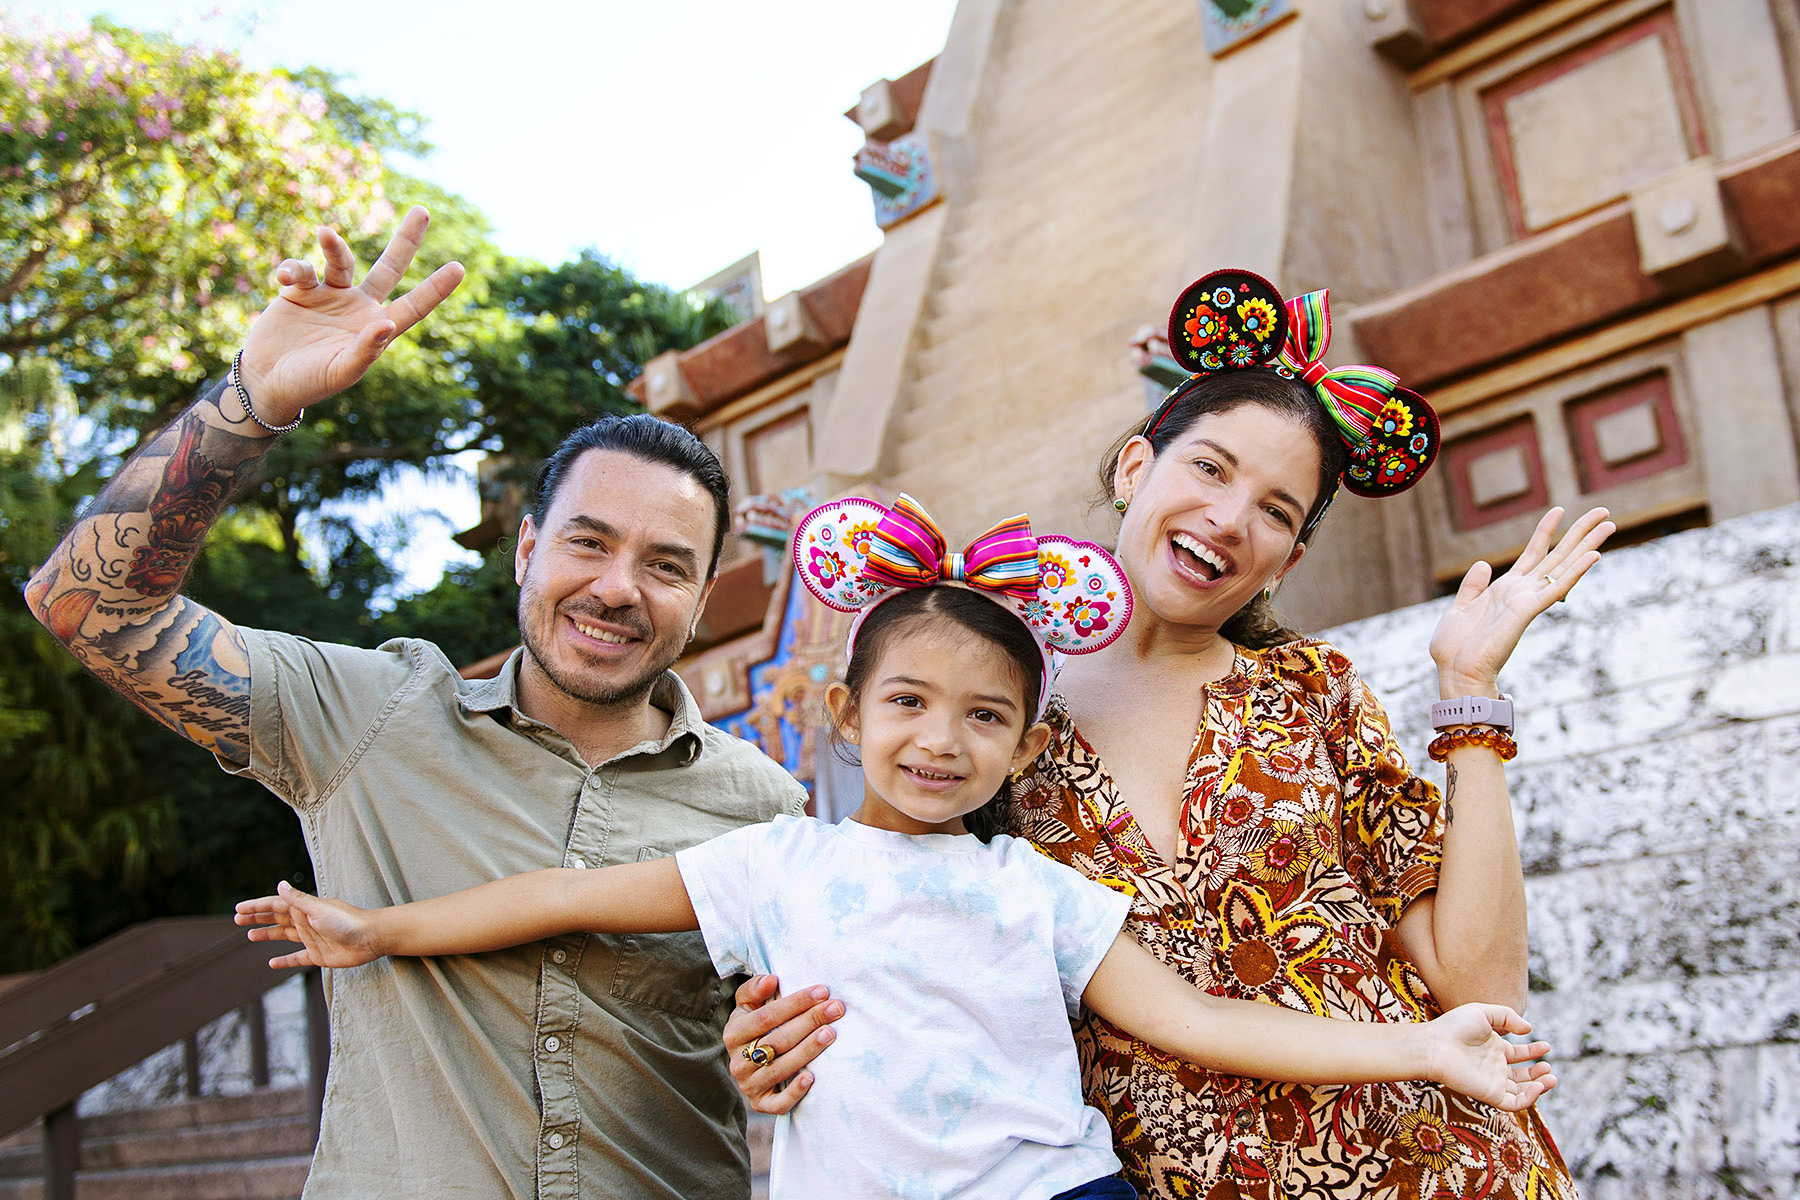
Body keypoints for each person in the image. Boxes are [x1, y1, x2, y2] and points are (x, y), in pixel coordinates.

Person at [236, 493, 1558, 1200]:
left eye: (985, 716)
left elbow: (1198, 1023)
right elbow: (563, 897)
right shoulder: (780, 867)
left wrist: (1420, 1044)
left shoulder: (1035, 889)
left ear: (1027, 750)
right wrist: (378, 929)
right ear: (847, 715)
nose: (941, 740)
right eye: (909, 704)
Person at [723, 271, 1614, 1198]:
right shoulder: (991, 720)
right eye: (1210, 467)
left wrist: (1468, 691)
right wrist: (780, 1039)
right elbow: (881, 916)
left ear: (1290, 558)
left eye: (1276, 510)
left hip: (1432, 1159)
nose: (1230, 520)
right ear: (1135, 468)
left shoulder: (1315, 691)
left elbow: (1483, 990)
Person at [23, 207, 809, 1199]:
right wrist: (249, 400)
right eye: (587, 542)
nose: (618, 587)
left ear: (701, 601)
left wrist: (784, 1048)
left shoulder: (770, 810)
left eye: (664, 565)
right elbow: (86, 604)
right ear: (526, 550)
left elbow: (818, 1035)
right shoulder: (367, 719)